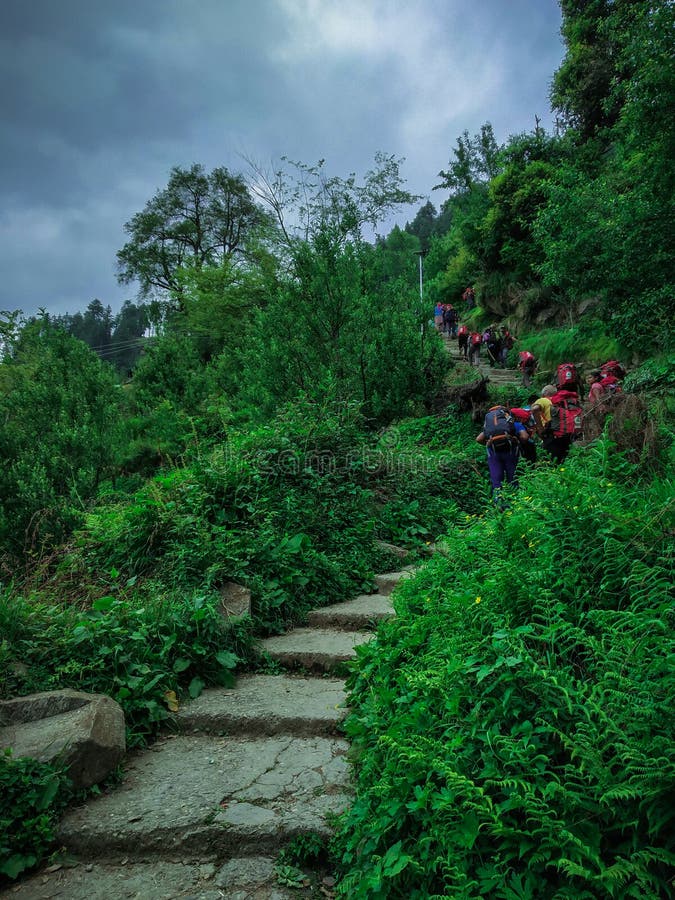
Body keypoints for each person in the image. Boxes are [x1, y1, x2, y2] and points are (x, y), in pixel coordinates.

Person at [476, 405, 529, 505]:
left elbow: (478, 439)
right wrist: (517, 441)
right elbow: (524, 437)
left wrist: (489, 444)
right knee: (513, 477)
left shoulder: (490, 428)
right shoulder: (514, 424)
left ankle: (499, 506)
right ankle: (516, 503)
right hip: (510, 452)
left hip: (494, 453)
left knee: (496, 479)